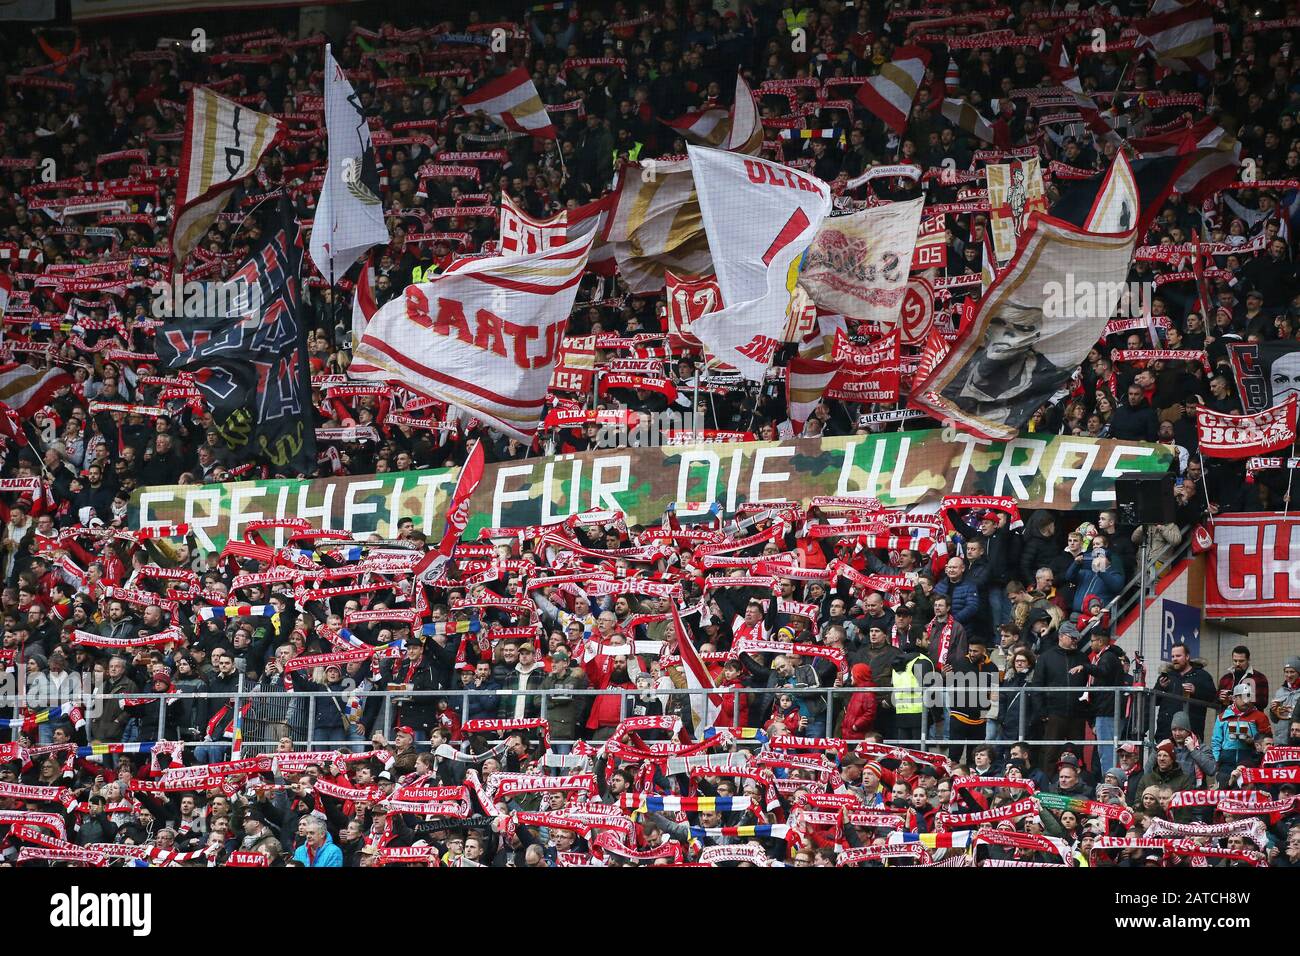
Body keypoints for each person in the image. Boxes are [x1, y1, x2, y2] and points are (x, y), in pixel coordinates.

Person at [938, 303, 1063, 427]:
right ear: (987, 329)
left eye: (1023, 328)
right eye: (999, 323)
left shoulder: (1045, 378)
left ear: (1035, 337)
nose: (1008, 333)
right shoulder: (956, 372)